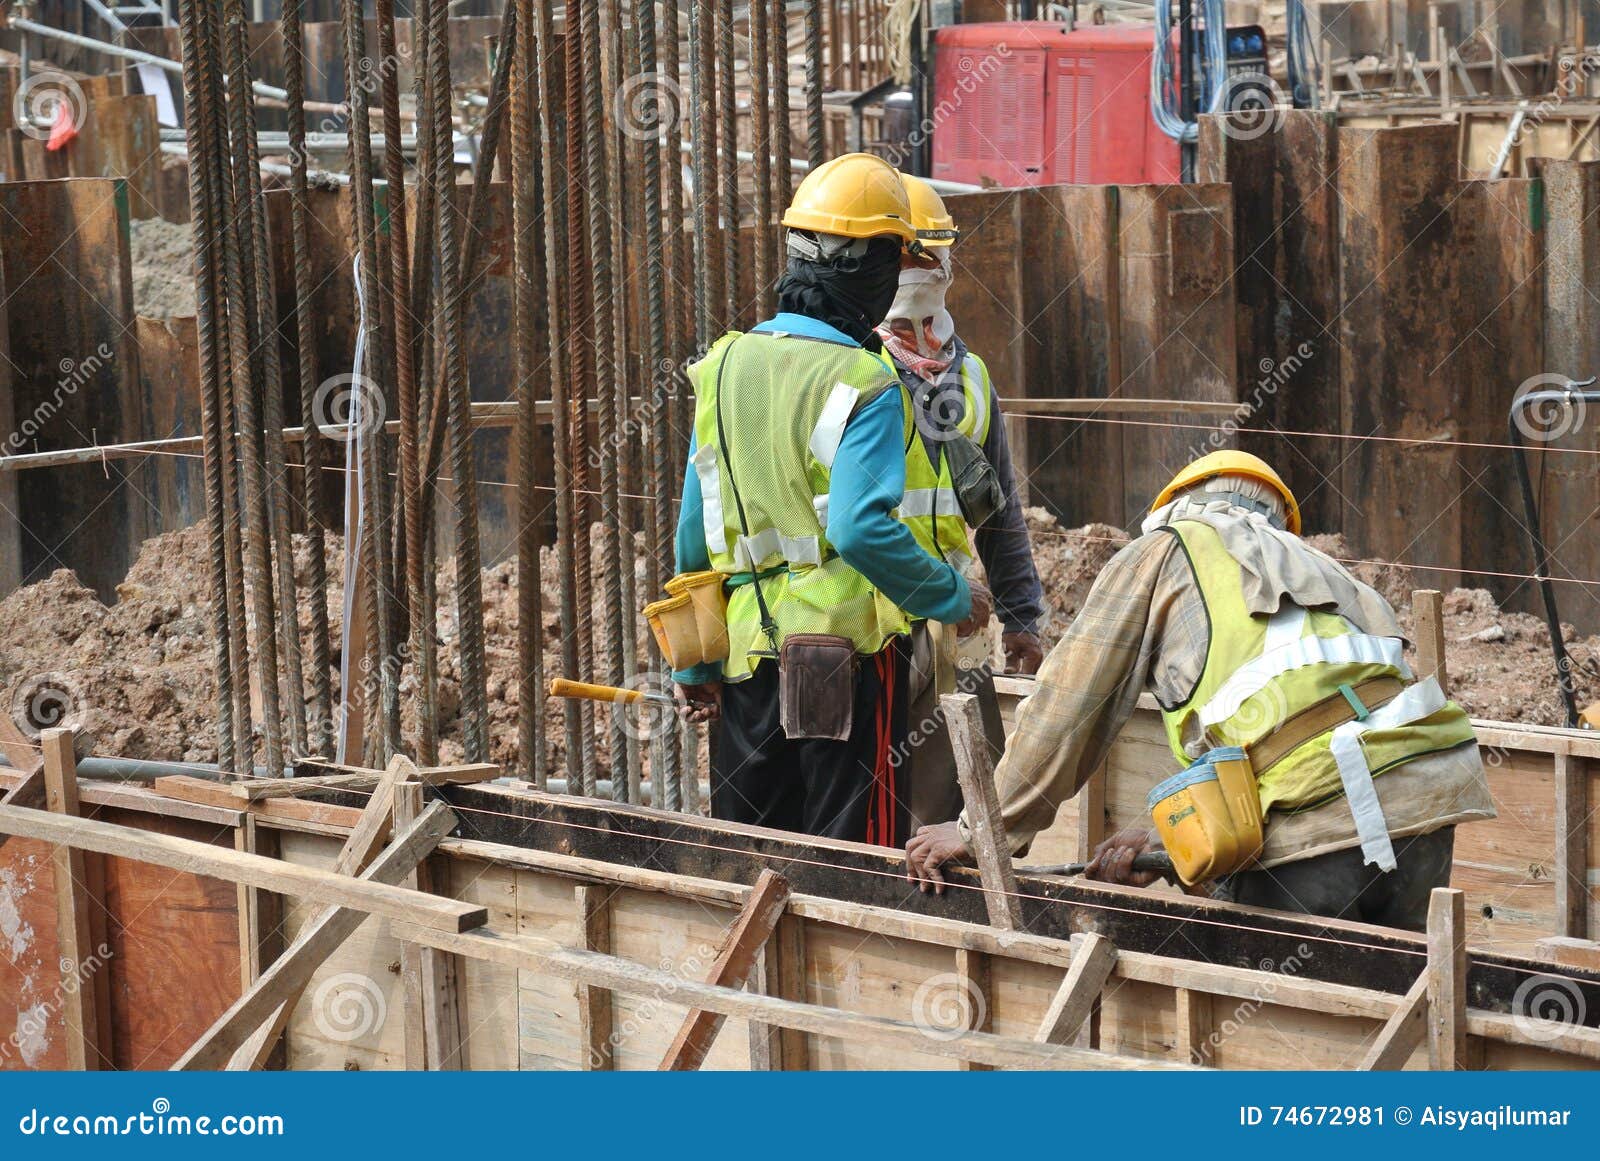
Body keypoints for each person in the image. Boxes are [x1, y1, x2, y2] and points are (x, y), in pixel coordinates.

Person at [903, 451, 1496, 931]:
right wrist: (1173, 841)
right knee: (1403, 1009)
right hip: (1427, 799)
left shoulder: (1165, 550)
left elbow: (1067, 704)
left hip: (1319, 816)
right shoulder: (1335, 577)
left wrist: (980, 829)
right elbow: (1305, 722)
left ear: (1176, 510)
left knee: (1293, 1037)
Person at [673, 154, 976, 848]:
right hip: (846, 661)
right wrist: (951, 596)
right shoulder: (865, 380)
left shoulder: (723, 367)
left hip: (748, 659)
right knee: (850, 865)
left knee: (752, 856)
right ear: (873, 273)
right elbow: (860, 530)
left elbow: (696, 531)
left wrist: (693, 661)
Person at [878, 174, 1045, 831]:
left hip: (959, 624)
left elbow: (999, 512)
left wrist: (1024, 613)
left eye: (930, 254)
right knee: (873, 817)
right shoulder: (849, 368)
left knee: (962, 815)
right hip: (871, 625)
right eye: (908, 255)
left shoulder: (969, 376)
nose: (923, 268)